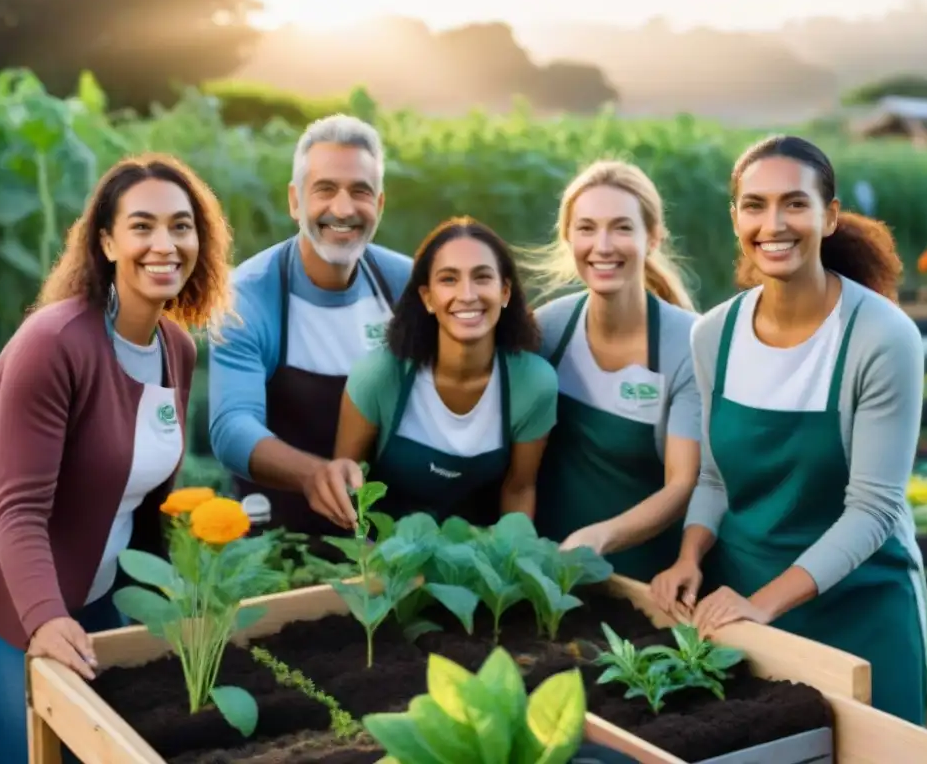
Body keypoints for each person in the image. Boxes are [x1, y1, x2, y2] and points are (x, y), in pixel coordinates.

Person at [0, 154, 233, 762]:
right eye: (142, 226)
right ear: (106, 241)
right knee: (28, 756)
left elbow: (150, 501)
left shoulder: (176, 348)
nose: (164, 244)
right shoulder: (52, 345)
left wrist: (165, 600)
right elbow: (15, 510)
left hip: (94, 587)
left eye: (181, 226)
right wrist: (42, 619)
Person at [650, 135, 927, 724]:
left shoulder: (880, 337)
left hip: (861, 610)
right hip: (746, 609)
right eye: (754, 205)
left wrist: (762, 605)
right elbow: (716, 479)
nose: (773, 222)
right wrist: (690, 555)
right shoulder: (714, 336)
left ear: (828, 216)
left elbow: (873, 511)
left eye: (794, 203)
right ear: (735, 217)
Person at [208, 114, 412, 536]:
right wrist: (312, 474)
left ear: (380, 203)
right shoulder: (248, 295)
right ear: (295, 200)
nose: (343, 208)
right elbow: (231, 427)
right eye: (325, 189)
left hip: (389, 542)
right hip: (277, 539)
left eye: (360, 191)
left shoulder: (407, 286)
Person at [524, 160, 702, 583]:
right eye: (586, 228)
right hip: (549, 571)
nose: (602, 245)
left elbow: (682, 484)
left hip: (644, 580)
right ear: (568, 237)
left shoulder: (689, 347)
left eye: (621, 228)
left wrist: (600, 537)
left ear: (653, 237)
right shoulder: (546, 331)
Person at [331, 217, 558, 526]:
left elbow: (519, 490)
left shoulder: (533, 383)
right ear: (427, 297)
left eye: (482, 278)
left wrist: (511, 564)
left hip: (479, 563)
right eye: (449, 279)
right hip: (387, 560)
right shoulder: (379, 376)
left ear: (505, 292)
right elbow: (347, 488)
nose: (466, 294)